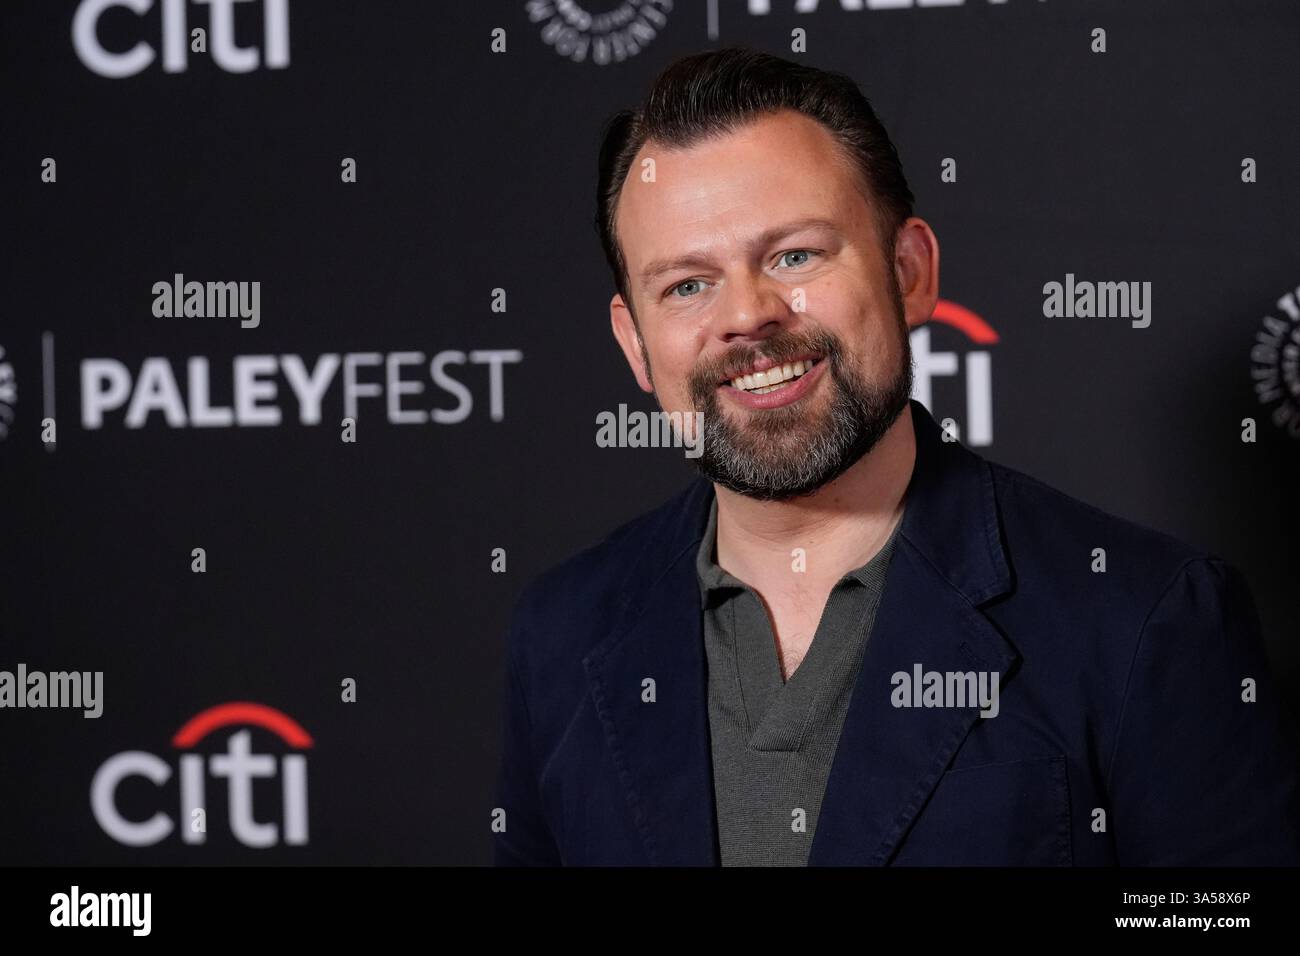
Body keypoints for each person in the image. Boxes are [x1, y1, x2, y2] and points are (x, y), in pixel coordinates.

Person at [492, 47, 1300, 866]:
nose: (748, 315)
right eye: (687, 285)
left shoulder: (1142, 617)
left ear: (909, 272)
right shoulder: (561, 633)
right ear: (635, 344)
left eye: (794, 256)